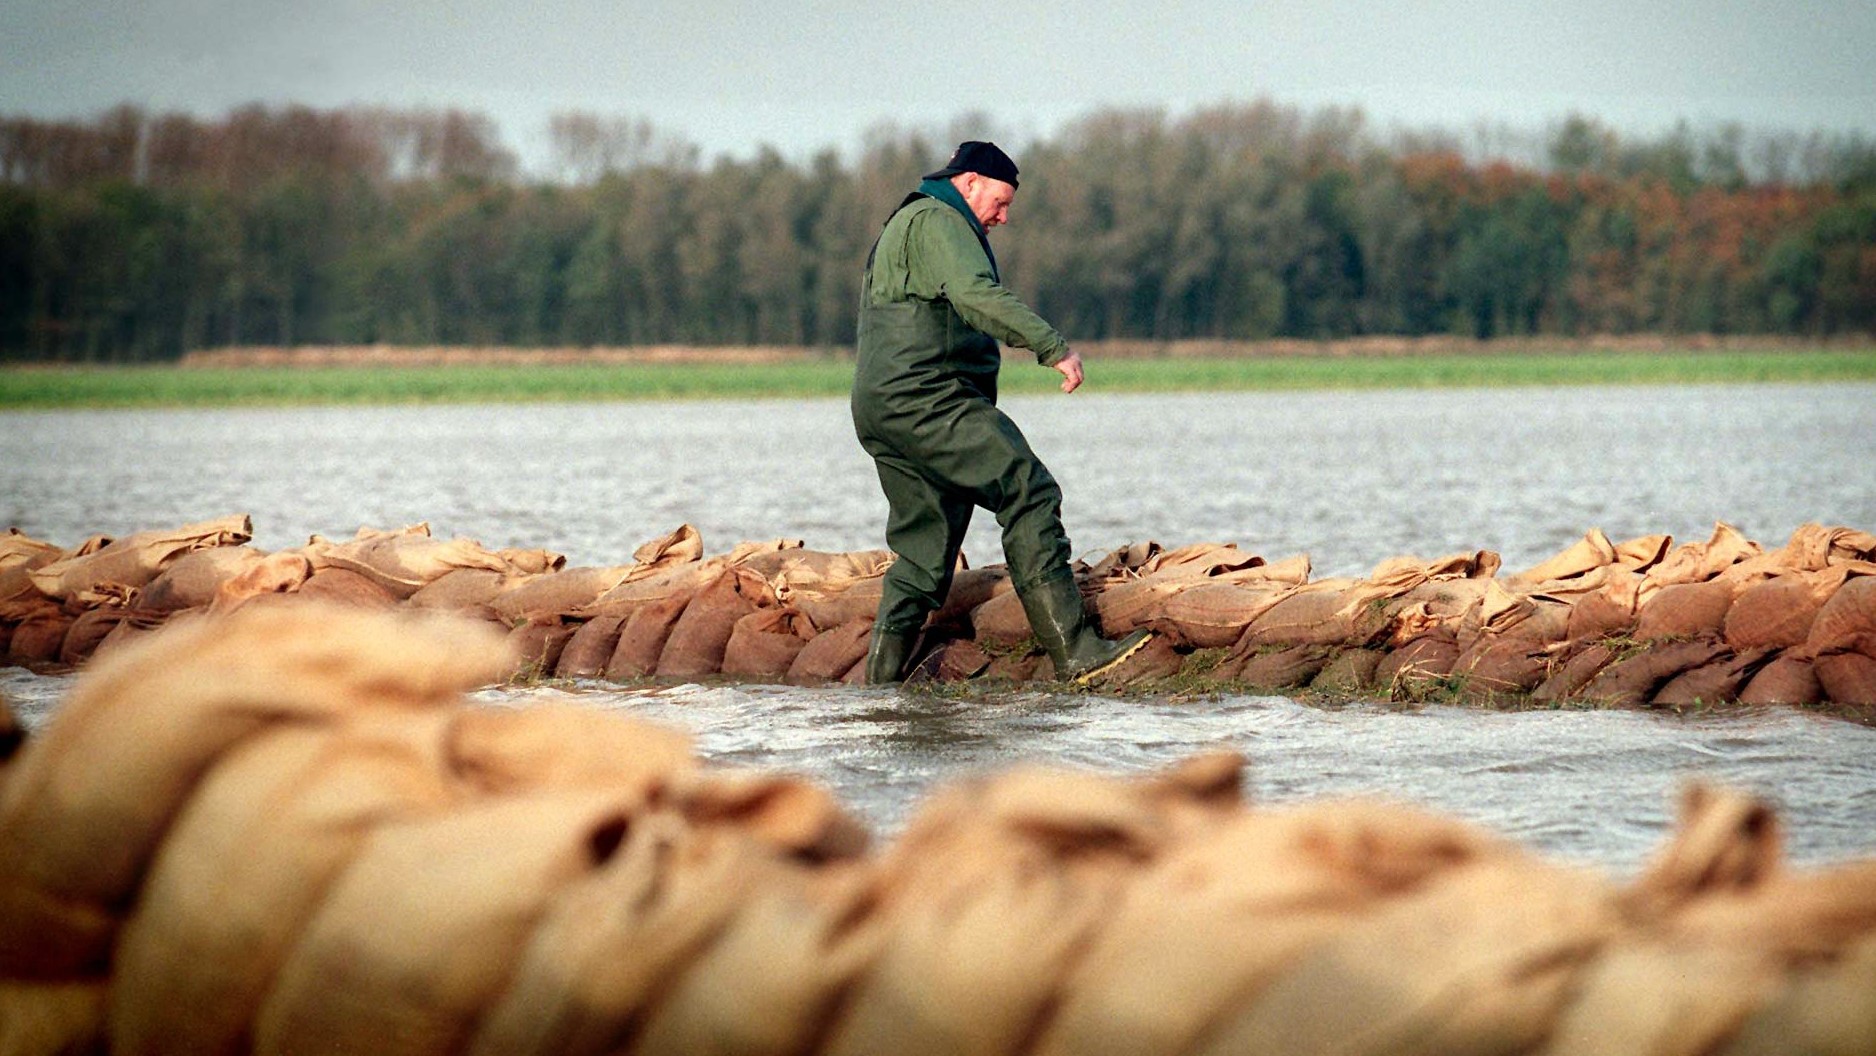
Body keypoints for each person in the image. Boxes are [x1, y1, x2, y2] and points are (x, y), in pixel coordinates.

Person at [850, 140, 1152, 685]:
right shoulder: (939, 221)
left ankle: (879, 689)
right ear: (969, 183)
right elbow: (977, 296)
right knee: (1026, 488)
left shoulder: (911, 221)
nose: (1004, 217)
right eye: (1001, 201)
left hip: (884, 407)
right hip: (928, 400)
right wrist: (1052, 347)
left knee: (922, 558)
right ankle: (1076, 650)